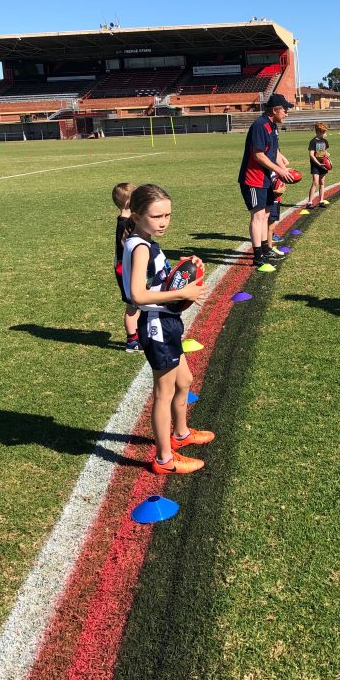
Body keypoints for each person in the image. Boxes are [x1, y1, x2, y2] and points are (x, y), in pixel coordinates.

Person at [123, 184, 213, 474]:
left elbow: (161, 279)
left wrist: (187, 268)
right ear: (137, 217)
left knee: (184, 380)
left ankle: (181, 434)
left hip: (167, 322)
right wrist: (181, 295)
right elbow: (137, 295)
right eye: (157, 216)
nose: (164, 222)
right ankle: (164, 459)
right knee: (164, 393)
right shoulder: (138, 247)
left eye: (168, 215)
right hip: (155, 325)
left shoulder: (149, 241)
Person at [238, 94, 294, 266]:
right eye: (284, 110)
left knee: (267, 214)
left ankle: (265, 250)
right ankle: (258, 256)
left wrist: (283, 167)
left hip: (266, 178)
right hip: (253, 178)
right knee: (258, 216)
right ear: (274, 110)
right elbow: (258, 154)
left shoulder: (272, 126)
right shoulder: (260, 125)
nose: (286, 113)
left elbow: (273, 152)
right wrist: (279, 171)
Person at [111, 182, 140, 352]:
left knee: (138, 304)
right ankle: (132, 340)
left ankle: (139, 334)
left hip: (129, 267)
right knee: (132, 305)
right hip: (126, 269)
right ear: (129, 202)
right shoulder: (125, 223)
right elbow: (126, 250)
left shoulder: (128, 220)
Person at [307, 122, 331, 209]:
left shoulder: (325, 141)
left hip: (323, 164)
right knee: (315, 182)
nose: (325, 134)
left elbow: (325, 151)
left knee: (322, 182)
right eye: (324, 132)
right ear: (318, 132)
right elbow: (311, 155)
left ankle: (321, 201)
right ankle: (310, 202)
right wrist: (318, 163)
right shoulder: (313, 141)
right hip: (316, 164)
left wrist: (327, 154)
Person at [267, 176, 286, 256]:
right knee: (270, 228)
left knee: (270, 227)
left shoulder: (277, 173)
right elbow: (264, 190)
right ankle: (268, 248)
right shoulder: (271, 174)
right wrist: (277, 191)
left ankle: (268, 247)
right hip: (273, 201)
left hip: (276, 201)